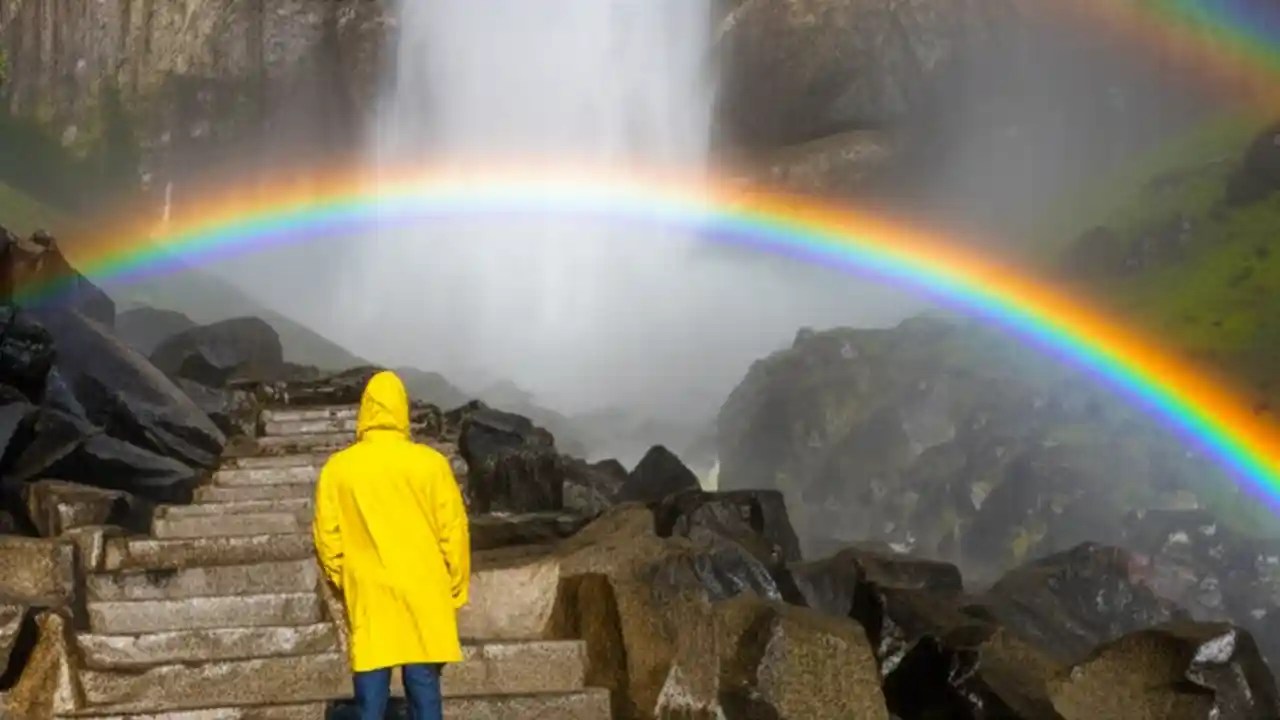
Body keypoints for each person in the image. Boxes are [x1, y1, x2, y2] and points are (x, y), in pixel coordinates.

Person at [313, 370, 471, 720]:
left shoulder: (338, 469)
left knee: (370, 689)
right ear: (402, 409)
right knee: (423, 684)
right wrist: (455, 587)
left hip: (369, 589)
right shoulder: (432, 465)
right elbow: (454, 532)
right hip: (424, 587)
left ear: (365, 410)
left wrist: (345, 579)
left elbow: (327, 538)